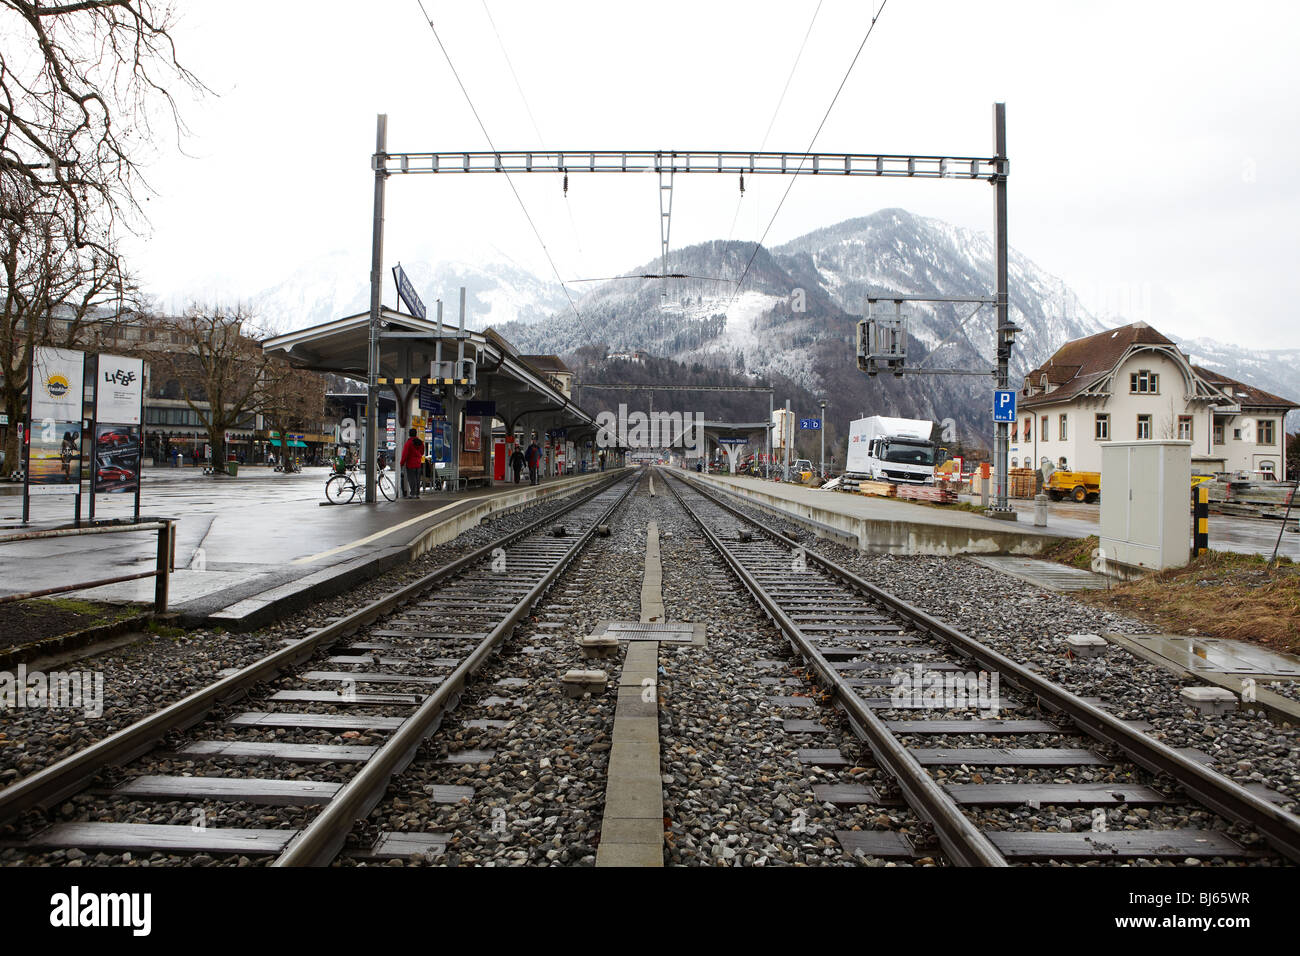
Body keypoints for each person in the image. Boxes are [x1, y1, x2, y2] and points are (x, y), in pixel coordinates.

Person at [400, 428, 424, 499]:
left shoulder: (409, 443)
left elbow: (405, 454)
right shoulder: (420, 442)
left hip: (410, 464)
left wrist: (401, 463)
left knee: (412, 479)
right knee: (417, 479)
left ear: (409, 434)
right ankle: (417, 494)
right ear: (416, 434)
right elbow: (422, 452)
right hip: (418, 463)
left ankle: (413, 493)